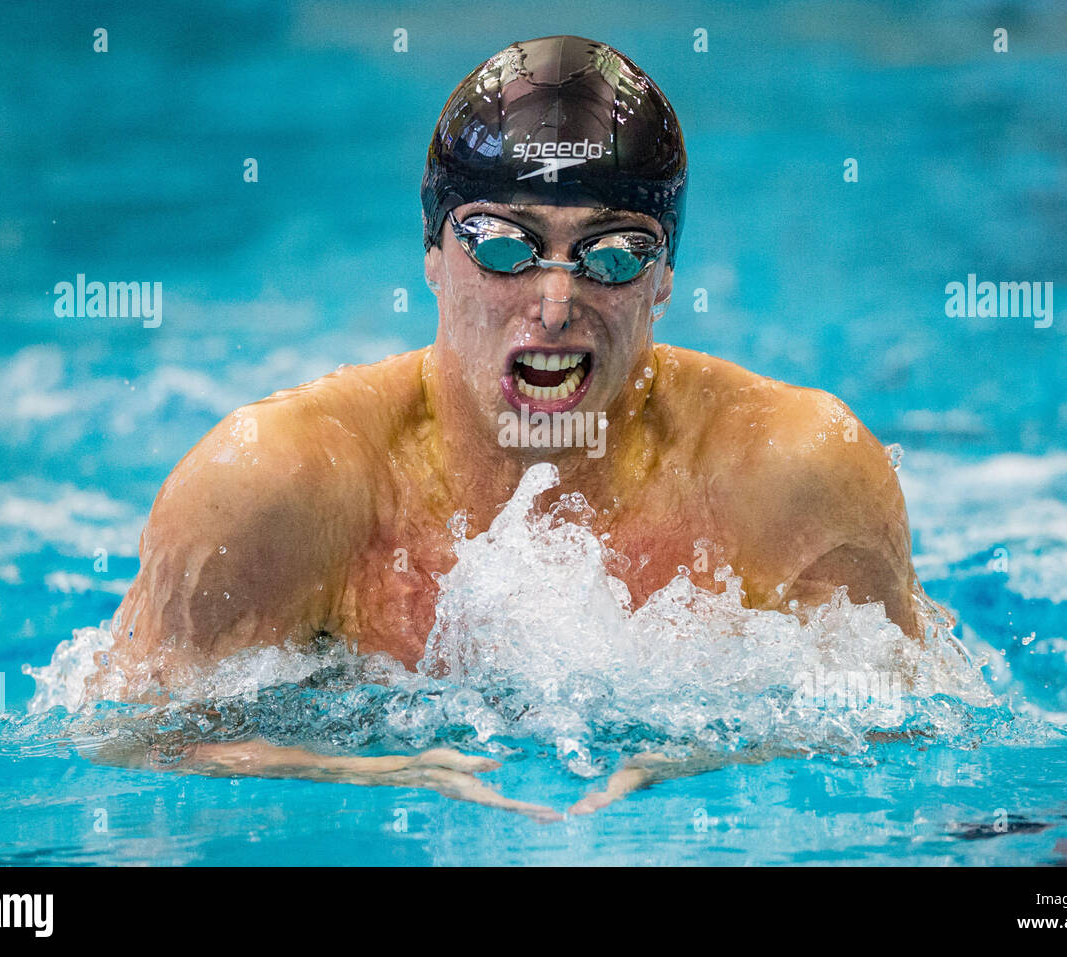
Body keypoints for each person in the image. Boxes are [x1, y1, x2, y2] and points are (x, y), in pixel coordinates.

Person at [96, 35, 940, 818]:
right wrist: (358, 774)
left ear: (667, 276)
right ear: (430, 252)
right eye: (504, 245)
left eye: (614, 254)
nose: (556, 302)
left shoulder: (793, 471)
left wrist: (722, 758)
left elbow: (915, 724)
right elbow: (129, 737)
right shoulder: (278, 484)